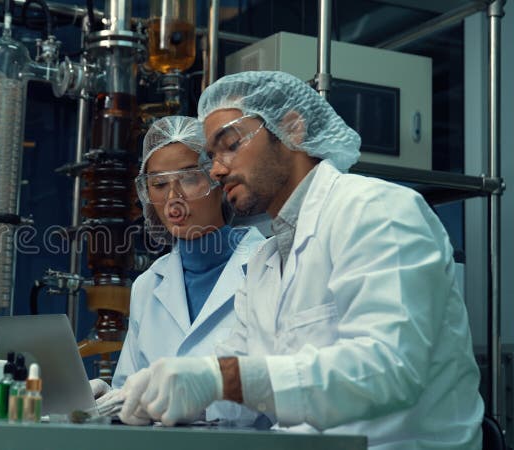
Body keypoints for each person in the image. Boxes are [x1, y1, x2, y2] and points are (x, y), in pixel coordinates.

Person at [118, 71, 483, 449]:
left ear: (291, 128)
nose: (217, 169)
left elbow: (387, 369)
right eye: (211, 156)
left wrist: (220, 378)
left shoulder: (377, 211)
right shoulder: (265, 264)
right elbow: (233, 392)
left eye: (230, 144)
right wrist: (142, 395)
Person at [90, 116, 265, 423]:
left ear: (217, 179)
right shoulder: (148, 286)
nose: (173, 198)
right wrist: (111, 402)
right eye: (158, 184)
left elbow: (283, 384)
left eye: (188, 179)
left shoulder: (267, 266)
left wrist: (199, 398)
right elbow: (130, 387)